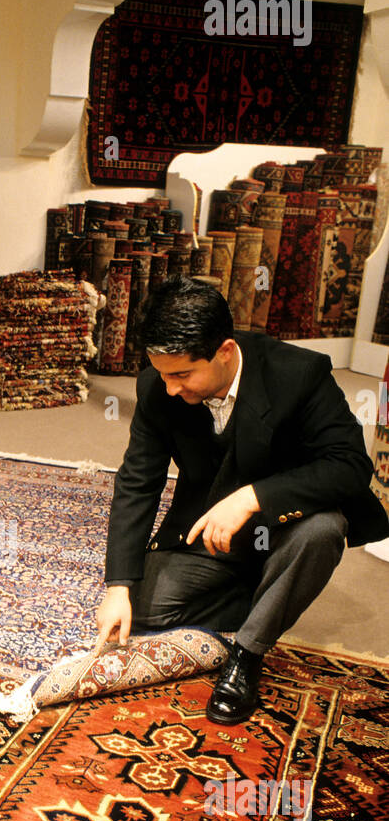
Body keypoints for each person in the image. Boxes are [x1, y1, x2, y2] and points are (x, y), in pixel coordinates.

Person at [94, 275, 389, 723]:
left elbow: (349, 466)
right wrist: (117, 586)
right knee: (146, 608)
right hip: (211, 535)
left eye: (182, 374)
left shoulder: (300, 374)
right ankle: (272, 595)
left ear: (225, 352)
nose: (170, 388)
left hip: (286, 528)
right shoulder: (158, 387)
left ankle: (248, 653)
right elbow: (138, 481)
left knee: (324, 529)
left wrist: (254, 496)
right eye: (162, 374)